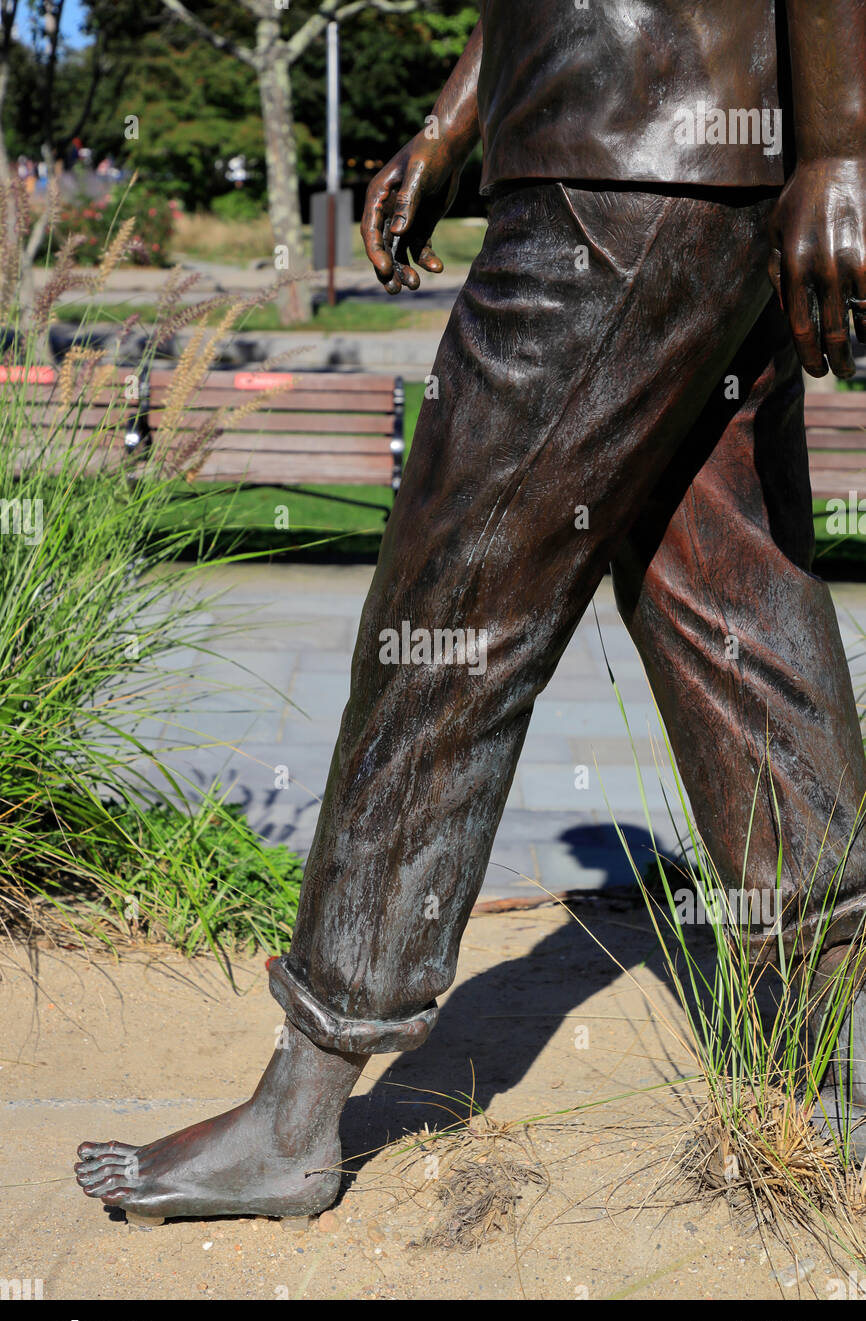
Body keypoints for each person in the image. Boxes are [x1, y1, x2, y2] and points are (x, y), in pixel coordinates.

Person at [75, 0, 866, 1221]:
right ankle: (844, 1048)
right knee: (724, 596)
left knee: (448, 604)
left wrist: (842, 145)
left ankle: (301, 1107)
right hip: (661, 152)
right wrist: (450, 125)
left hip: (625, 160)